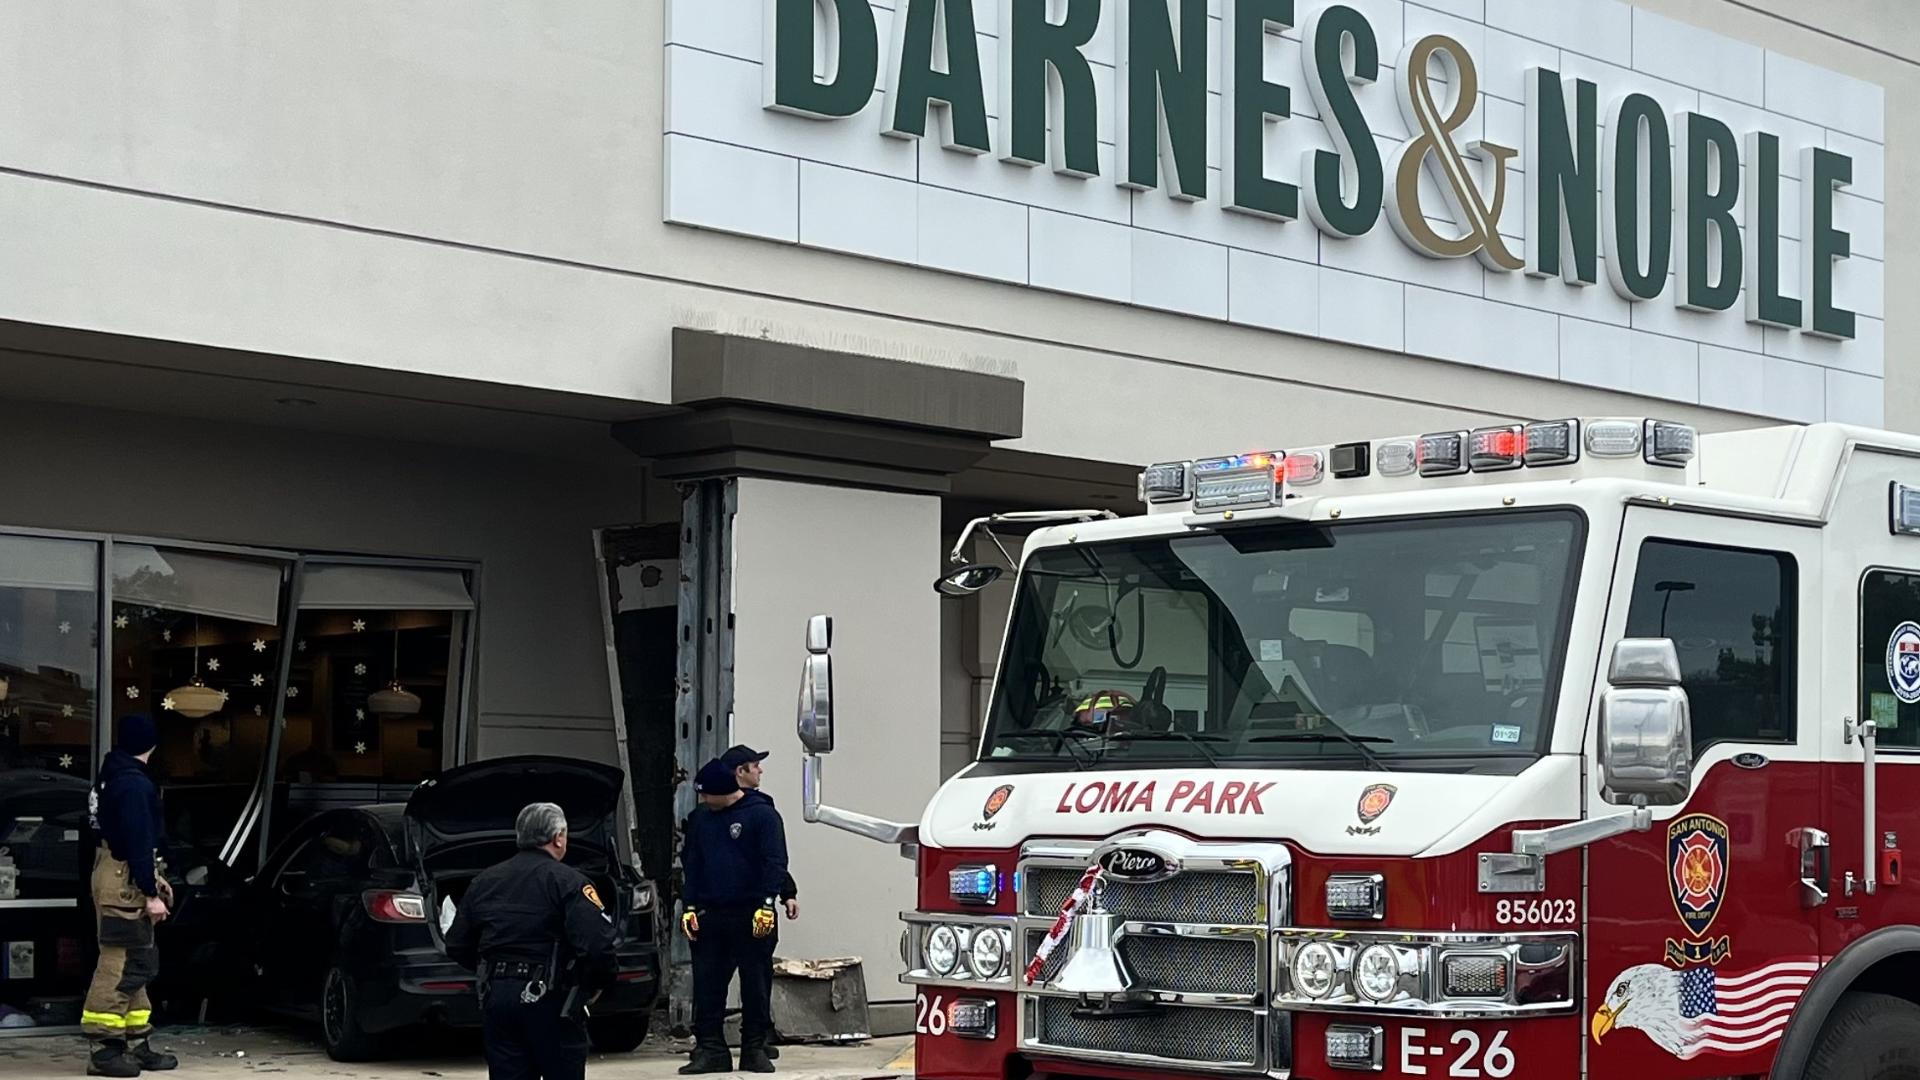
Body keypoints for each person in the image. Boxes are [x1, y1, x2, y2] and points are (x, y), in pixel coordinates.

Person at [444, 803, 617, 1080]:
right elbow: (597, 945)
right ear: (558, 837)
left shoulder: (485, 880)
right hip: (552, 998)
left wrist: (492, 973)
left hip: (498, 996)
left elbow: (456, 943)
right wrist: (593, 985)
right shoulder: (569, 882)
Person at [679, 759, 788, 1075]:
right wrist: (689, 907)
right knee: (707, 985)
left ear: (723, 792)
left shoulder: (762, 815)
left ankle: (754, 1048)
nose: (702, 801)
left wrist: (768, 904)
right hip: (711, 913)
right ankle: (710, 1049)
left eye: (706, 795)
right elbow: (693, 864)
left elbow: (775, 862)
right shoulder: (702, 819)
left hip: (751, 912)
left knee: (755, 984)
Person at [82, 714, 177, 1077]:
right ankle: (105, 1048)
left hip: (113, 871)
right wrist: (150, 891)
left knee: (135, 959)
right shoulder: (134, 785)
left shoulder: (111, 775)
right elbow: (139, 839)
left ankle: (136, 1043)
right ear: (151, 744)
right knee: (119, 963)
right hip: (124, 877)